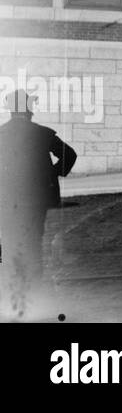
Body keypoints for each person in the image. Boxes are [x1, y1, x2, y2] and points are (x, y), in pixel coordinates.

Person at [0, 89, 77, 296]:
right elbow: (69, 154)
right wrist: (53, 172)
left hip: (6, 200)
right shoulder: (42, 134)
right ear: (28, 109)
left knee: (8, 241)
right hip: (36, 200)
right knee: (33, 241)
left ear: (10, 111)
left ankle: (10, 288)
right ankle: (34, 289)